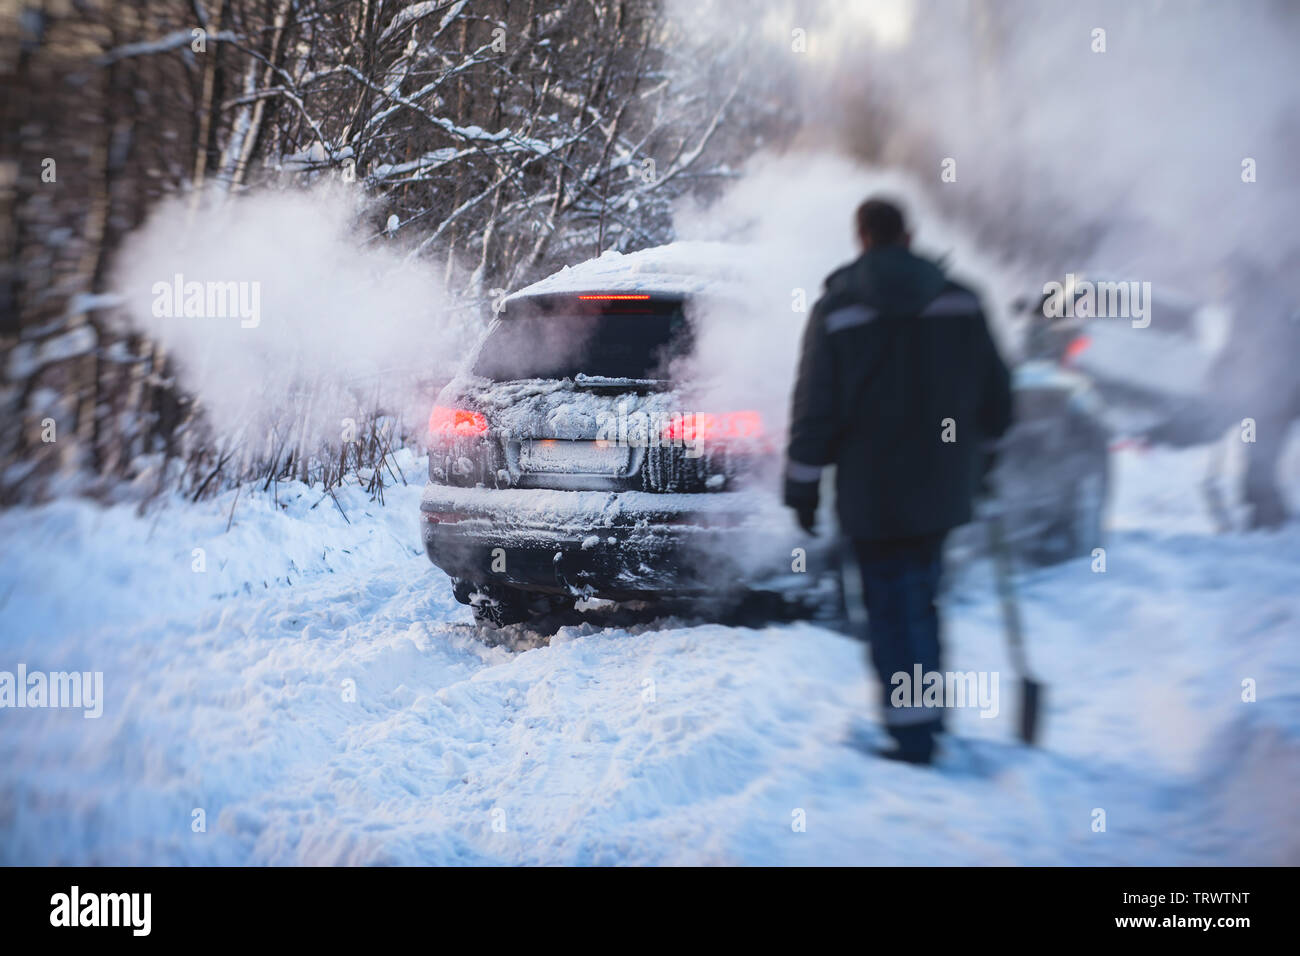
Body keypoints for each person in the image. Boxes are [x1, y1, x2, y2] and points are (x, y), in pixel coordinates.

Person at [784, 197, 1013, 765]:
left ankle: (912, 734)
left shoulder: (836, 310)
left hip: (872, 492)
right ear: (908, 235)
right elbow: (998, 402)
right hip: (941, 490)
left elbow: (816, 410)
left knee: (890, 608)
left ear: (862, 237)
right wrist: (981, 464)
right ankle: (926, 721)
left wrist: (803, 487)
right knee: (924, 599)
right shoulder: (961, 300)